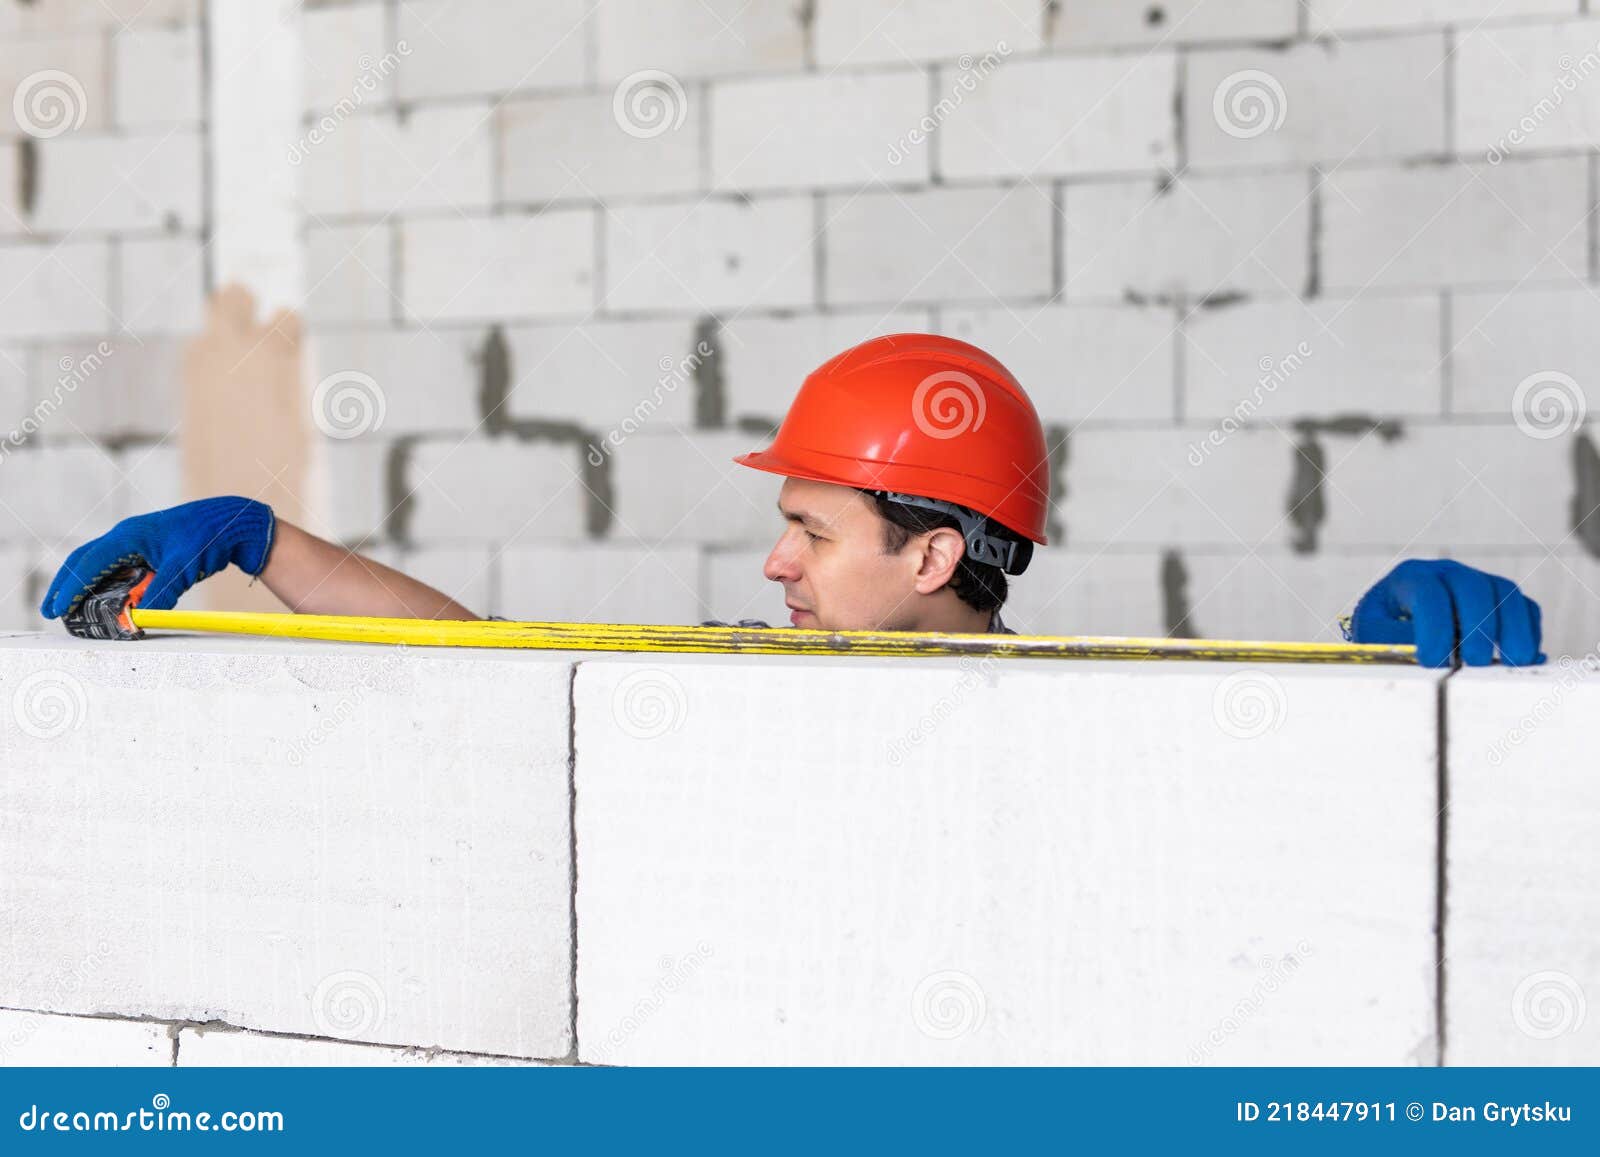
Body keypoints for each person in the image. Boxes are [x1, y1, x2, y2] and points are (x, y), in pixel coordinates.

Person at [39, 334, 1543, 668]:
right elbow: (474, 658)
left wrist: (1381, 668)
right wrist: (261, 540)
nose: (776, 562)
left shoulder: (1091, 707)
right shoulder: (746, 676)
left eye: (813, 530)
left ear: (934, 553)